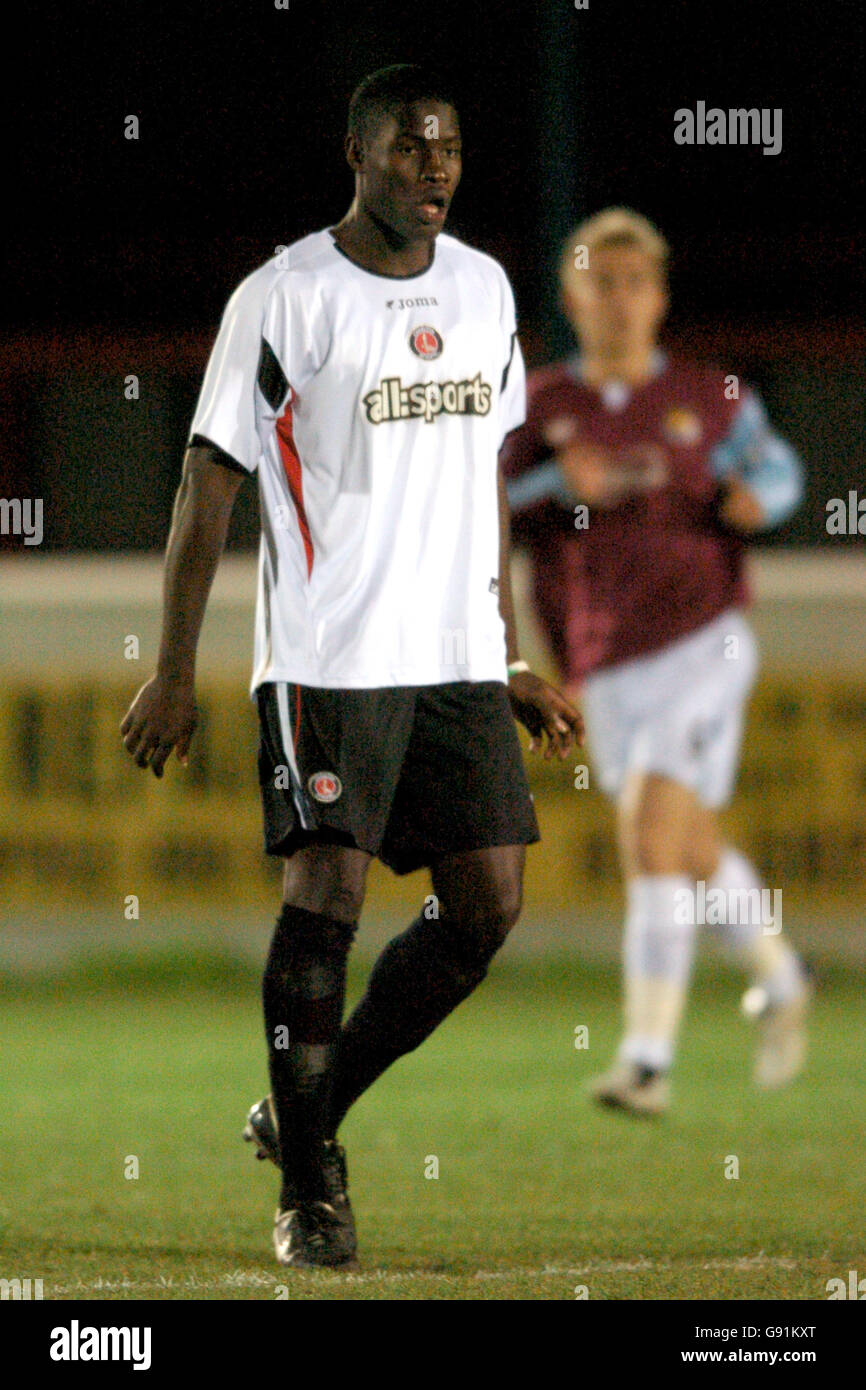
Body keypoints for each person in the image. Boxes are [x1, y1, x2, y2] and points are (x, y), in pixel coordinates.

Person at [120, 63, 581, 1268]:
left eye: (451, 148)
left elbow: (478, 475)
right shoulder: (282, 296)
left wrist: (500, 648)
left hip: (449, 660)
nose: (434, 166)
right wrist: (175, 668)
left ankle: (302, 1110)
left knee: (485, 905)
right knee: (325, 904)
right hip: (327, 657)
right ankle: (310, 1187)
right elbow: (203, 486)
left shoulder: (482, 291)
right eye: (409, 146)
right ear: (356, 155)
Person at [502, 207, 810, 1118]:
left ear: (661, 295)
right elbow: (488, 504)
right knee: (686, 845)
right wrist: (561, 483)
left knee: (648, 831)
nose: (622, 298)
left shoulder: (710, 398)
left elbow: (780, 471)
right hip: (602, 661)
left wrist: (764, 497)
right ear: (572, 294)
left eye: (638, 281)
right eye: (604, 280)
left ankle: (645, 1061)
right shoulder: (536, 404)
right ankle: (782, 980)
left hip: (704, 640)